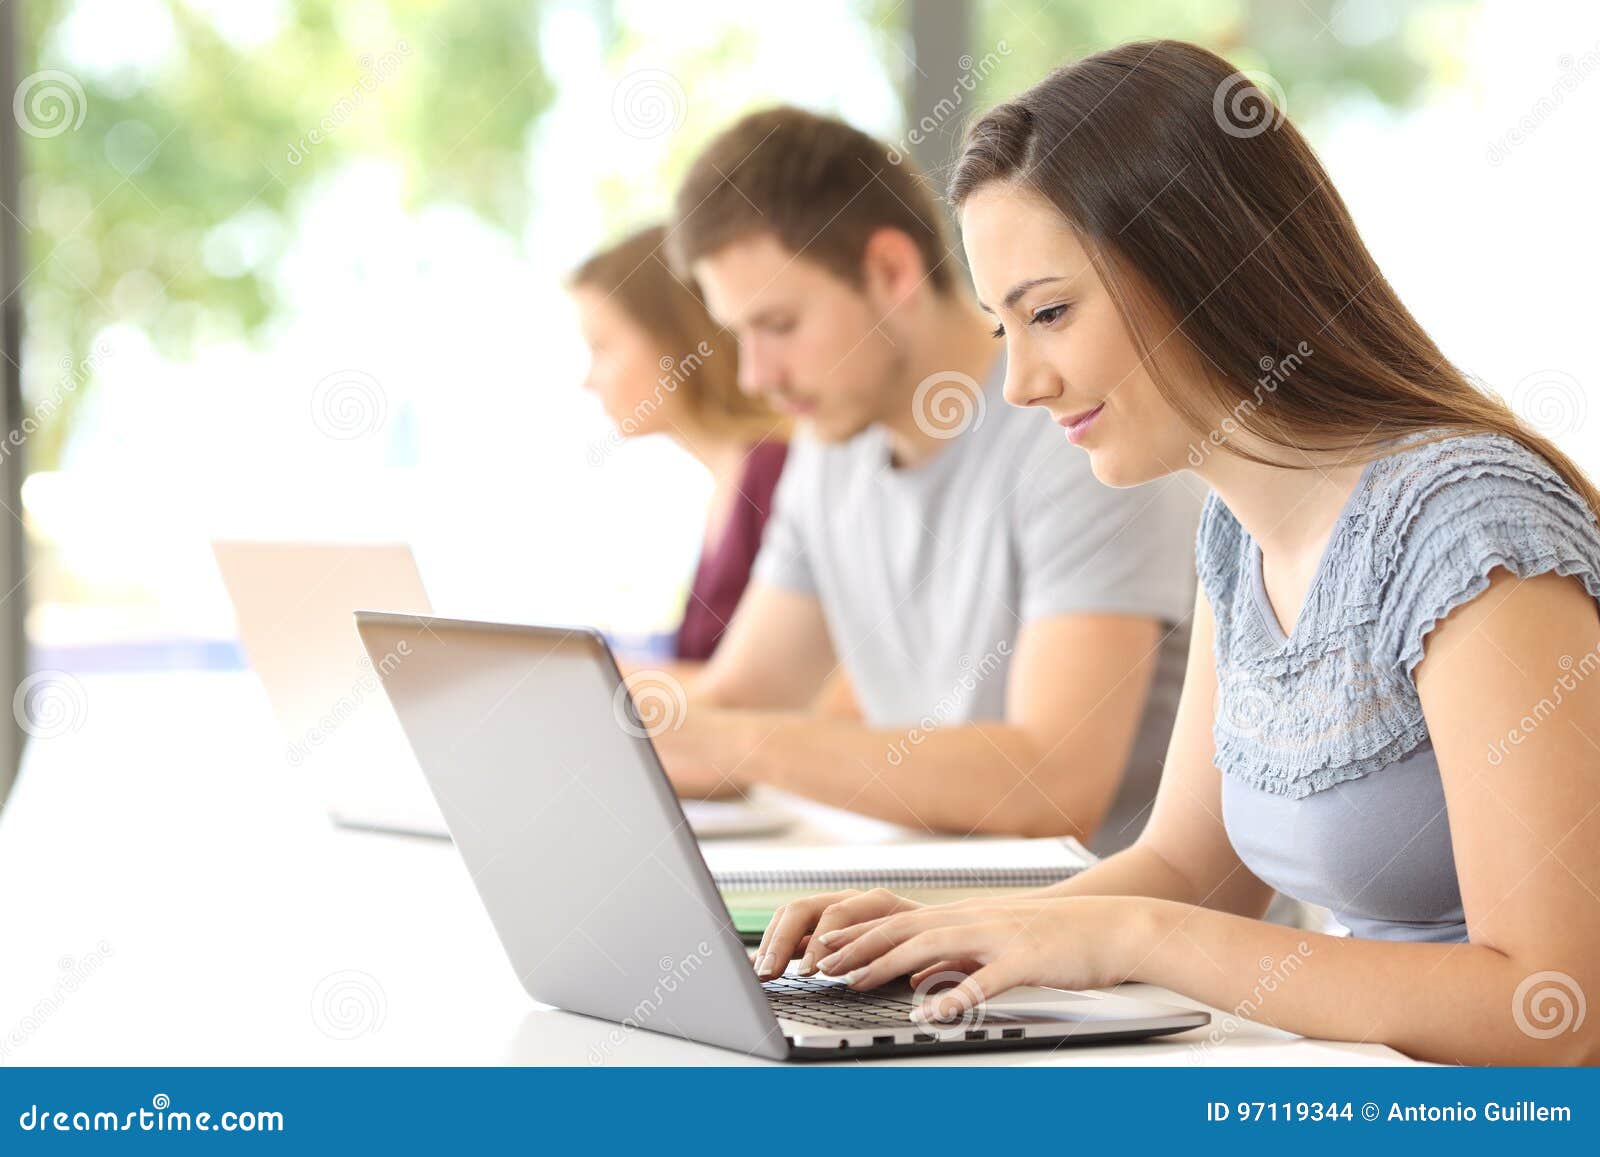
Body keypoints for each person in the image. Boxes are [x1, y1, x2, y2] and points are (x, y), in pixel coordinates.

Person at [751, 40, 1600, 1067]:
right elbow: (1190, 867)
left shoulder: (1472, 531)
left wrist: (1132, 936)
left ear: (1206, 266)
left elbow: (1554, 1010)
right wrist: (949, 925)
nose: (1017, 384)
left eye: (1050, 313)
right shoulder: (1236, 526)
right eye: (999, 326)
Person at [648, 106, 1202, 851]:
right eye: (738, 334)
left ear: (890, 271)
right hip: (946, 914)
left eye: (777, 325)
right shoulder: (829, 447)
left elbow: (1053, 783)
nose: (756, 375)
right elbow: (743, 696)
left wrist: (729, 740)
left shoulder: (1081, 429)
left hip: (1115, 948)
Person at [569, 225, 788, 663]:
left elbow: (760, 694)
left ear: (675, 340)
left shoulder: (774, 472)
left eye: (602, 347)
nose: (588, 381)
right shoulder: (732, 476)